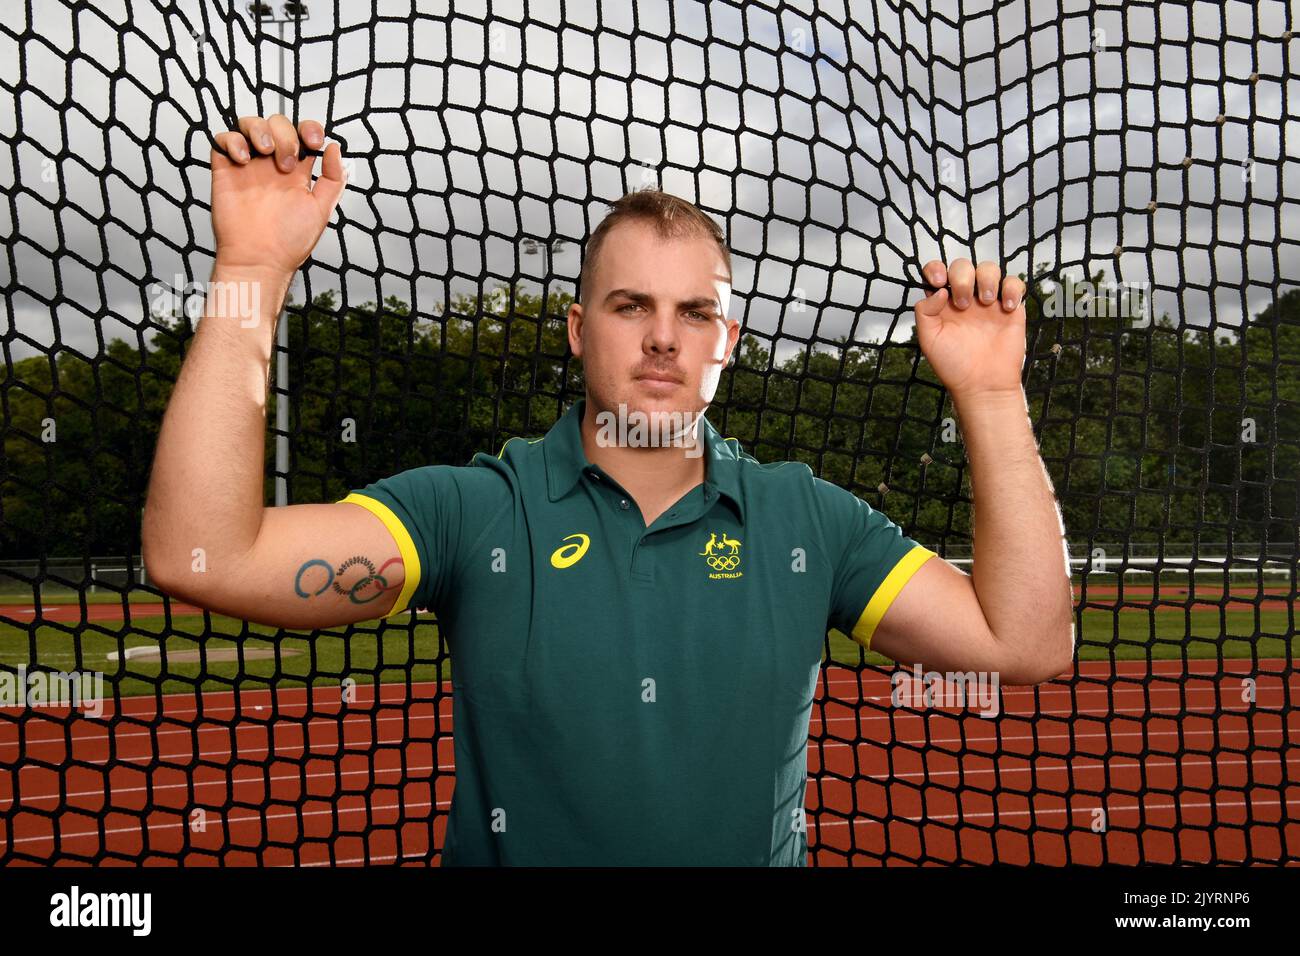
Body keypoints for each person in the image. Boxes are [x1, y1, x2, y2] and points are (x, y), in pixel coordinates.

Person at [142, 115, 1075, 865]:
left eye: (694, 311)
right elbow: (206, 556)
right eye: (632, 306)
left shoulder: (807, 520)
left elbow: (1026, 643)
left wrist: (991, 392)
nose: (664, 337)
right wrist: (252, 272)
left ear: (727, 341)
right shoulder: (478, 512)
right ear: (579, 330)